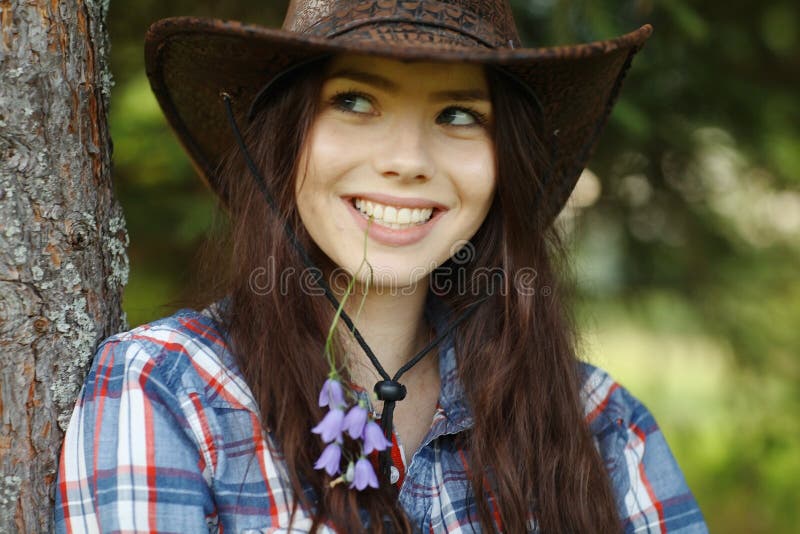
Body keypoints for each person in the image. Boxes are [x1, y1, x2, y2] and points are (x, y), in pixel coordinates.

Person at [54, 1, 708, 532]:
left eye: (457, 114)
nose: (407, 159)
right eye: (356, 101)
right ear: (286, 138)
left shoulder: (603, 428)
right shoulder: (173, 393)